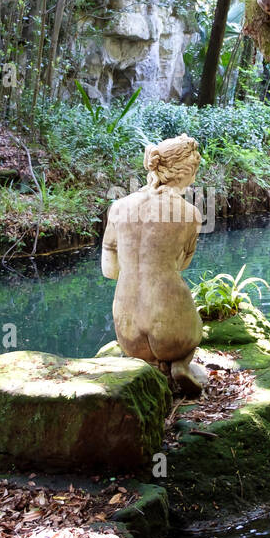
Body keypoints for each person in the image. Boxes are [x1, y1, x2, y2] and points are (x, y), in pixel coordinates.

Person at [101, 134, 208, 397]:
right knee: (192, 326)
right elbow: (181, 265)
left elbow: (110, 271)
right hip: (172, 333)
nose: (194, 178)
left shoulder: (118, 207)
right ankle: (180, 364)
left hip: (127, 334)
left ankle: (148, 362)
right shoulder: (190, 214)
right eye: (194, 171)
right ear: (185, 172)